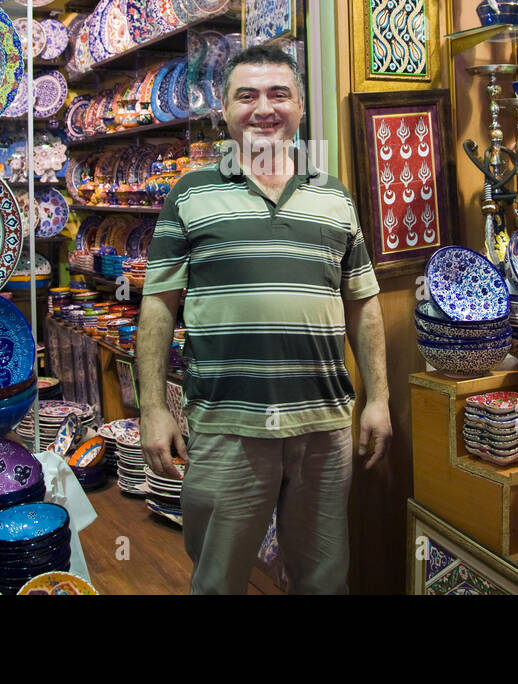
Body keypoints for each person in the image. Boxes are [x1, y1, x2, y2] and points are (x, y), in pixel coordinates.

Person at [137, 44, 390, 595]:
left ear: (300, 107)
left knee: (324, 580)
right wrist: (154, 410)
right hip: (228, 425)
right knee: (217, 581)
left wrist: (378, 398)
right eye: (245, 95)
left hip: (323, 426)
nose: (263, 108)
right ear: (223, 111)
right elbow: (158, 306)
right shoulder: (190, 194)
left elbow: (363, 302)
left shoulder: (334, 195)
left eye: (279, 94)